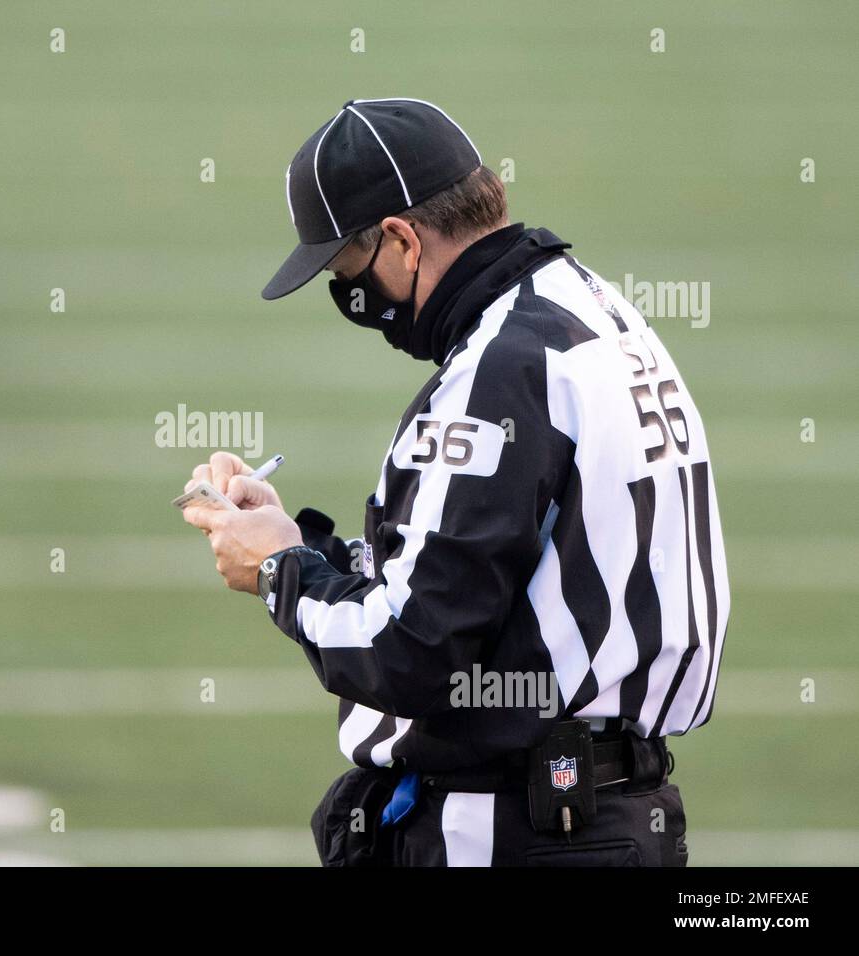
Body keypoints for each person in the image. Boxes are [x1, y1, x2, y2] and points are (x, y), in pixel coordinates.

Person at [181, 98, 729, 866]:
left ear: (402, 240)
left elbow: (415, 649)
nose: (356, 302)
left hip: (519, 831)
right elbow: (485, 582)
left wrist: (279, 572)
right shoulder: (592, 308)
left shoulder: (502, 367)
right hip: (606, 810)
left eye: (348, 272)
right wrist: (304, 542)